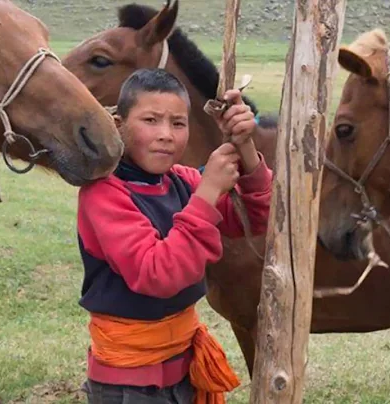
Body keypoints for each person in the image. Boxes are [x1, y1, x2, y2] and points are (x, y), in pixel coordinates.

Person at [76, 68, 272, 403]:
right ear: (119, 124)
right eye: (150, 120)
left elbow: (255, 217)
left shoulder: (181, 181)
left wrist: (245, 147)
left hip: (185, 370)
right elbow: (157, 274)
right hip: (129, 386)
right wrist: (208, 191)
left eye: (178, 123)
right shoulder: (104, 193)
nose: (166, 134)